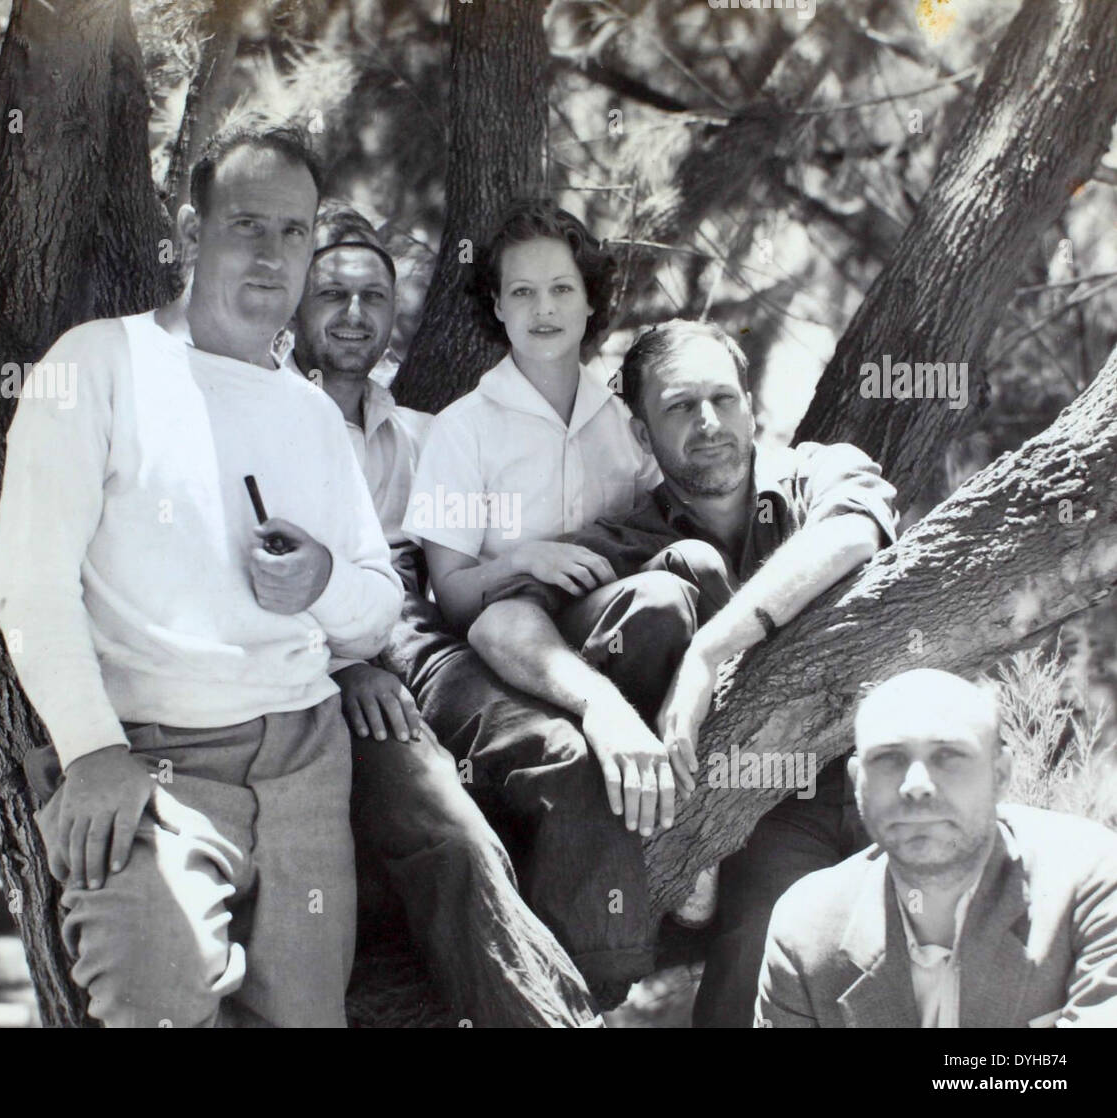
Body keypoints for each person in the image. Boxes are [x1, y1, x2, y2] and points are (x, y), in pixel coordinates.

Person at [0, 125, 402, 1028]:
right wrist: (92, 750)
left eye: (294, 233)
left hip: (304, 764)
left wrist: (322, 580)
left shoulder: (310, 414)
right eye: (247, 225)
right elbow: (26, 578)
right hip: (145, 766)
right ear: (189, 228)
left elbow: (376, 610)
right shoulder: (99, 362)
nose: (272, 255)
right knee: (154, 1002)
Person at [467, 317, 898, 1024]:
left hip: (867, 764)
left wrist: (711, 651)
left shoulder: (817, 472)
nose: (708, 422)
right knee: (753, 976)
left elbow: (854, 530)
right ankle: (685, 843)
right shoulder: (631, 534)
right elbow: (497, 622)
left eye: (723, 399)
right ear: (641, 435)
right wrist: (600, 705)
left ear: (750, 406)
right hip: (755, 808)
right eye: (678, 407)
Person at [285, 201, 600, 1026]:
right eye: (332, 295)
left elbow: (459, 570)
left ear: (397, 316)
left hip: (428, 643)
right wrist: (344, 663)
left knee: (559, 754)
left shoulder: (428, 436)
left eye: (374, 299)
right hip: (327, 660)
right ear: (295, 304)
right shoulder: (266, 425)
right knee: (451, 838)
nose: (355, 316)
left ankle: (600, 971)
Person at [384, 199, 666, 1006]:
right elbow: (452, 593)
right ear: (495, 307)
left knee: (664, 608)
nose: (544, 310)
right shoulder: (466, 427)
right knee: (569, 761)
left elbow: (655, 536)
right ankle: (594, 987)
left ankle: (679, 825)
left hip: (599, 640)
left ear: (590, 300)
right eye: (521, 293)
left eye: (561, 290)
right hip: (491, 657)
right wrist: (524, 558)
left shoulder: (621, 421)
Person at [756, 669, 1117, 1028]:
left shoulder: (1095, 881)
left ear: (1001, 774)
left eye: (948, 756)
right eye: (888, 758)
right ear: (857, 782)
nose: (916, 785)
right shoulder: (806, 928)